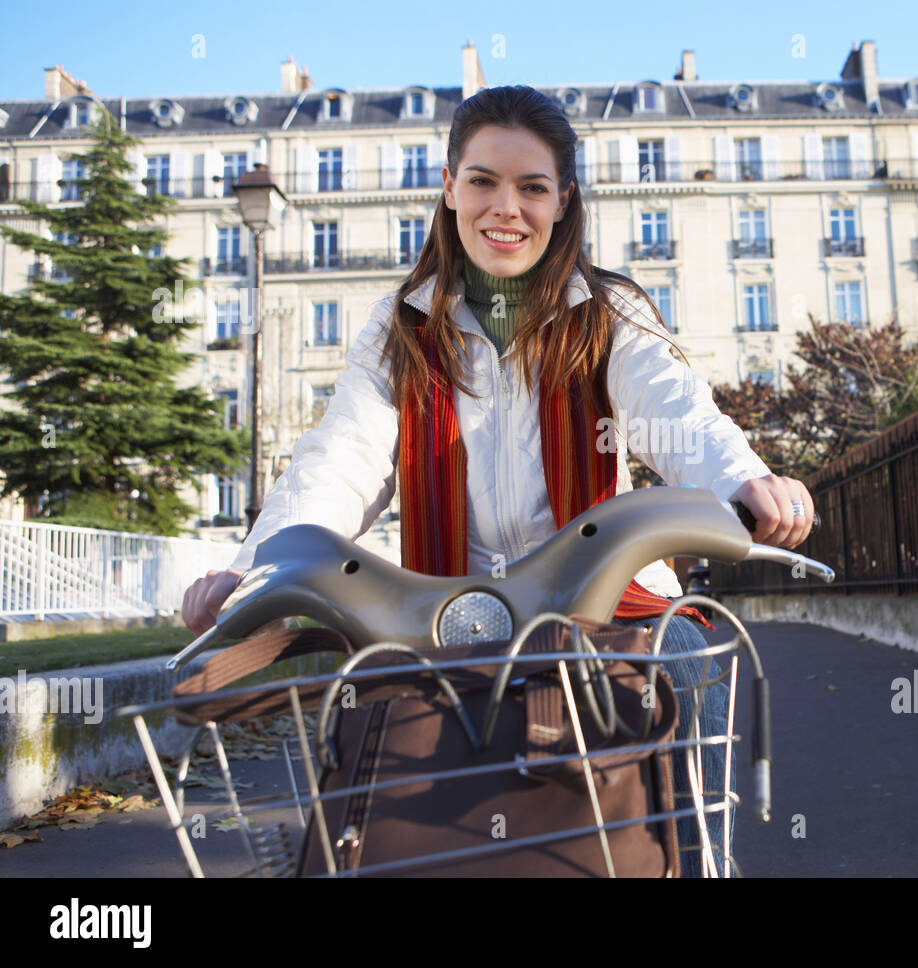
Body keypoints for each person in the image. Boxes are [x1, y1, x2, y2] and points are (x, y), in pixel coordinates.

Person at [182, 84, 816, 876]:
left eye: (531, 187)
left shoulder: (610, 311)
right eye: (483, 181)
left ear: (564, 201)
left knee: (682, 659)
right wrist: (249, 575)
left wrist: (747, 481)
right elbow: (339, 460)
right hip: (449, 616)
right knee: (369, 712)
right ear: (449, 188)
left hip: (608, 603)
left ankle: (692, 857)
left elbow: (673, 409)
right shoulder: (401, 327)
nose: (504, 208)